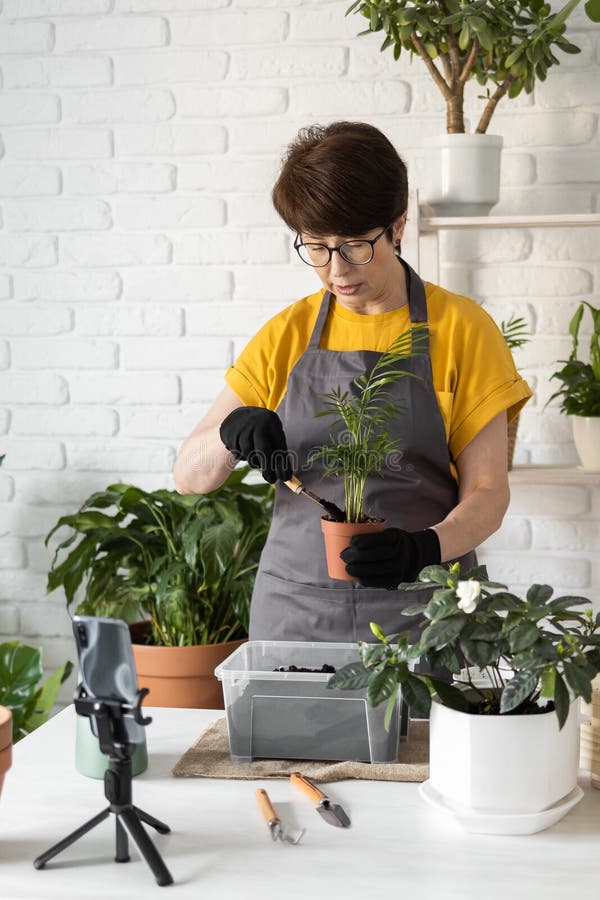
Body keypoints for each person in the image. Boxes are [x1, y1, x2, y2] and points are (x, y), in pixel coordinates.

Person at [174, 121, 532, 645]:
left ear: (398, 225)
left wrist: (423, 549)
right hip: (294, 617)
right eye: (316, 247)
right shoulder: (287, 334)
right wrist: (231, 435)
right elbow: (190, 476)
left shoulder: (462, 329)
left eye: (355, 246)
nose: (336, 269)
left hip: (424, 615)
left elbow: (488, 491)